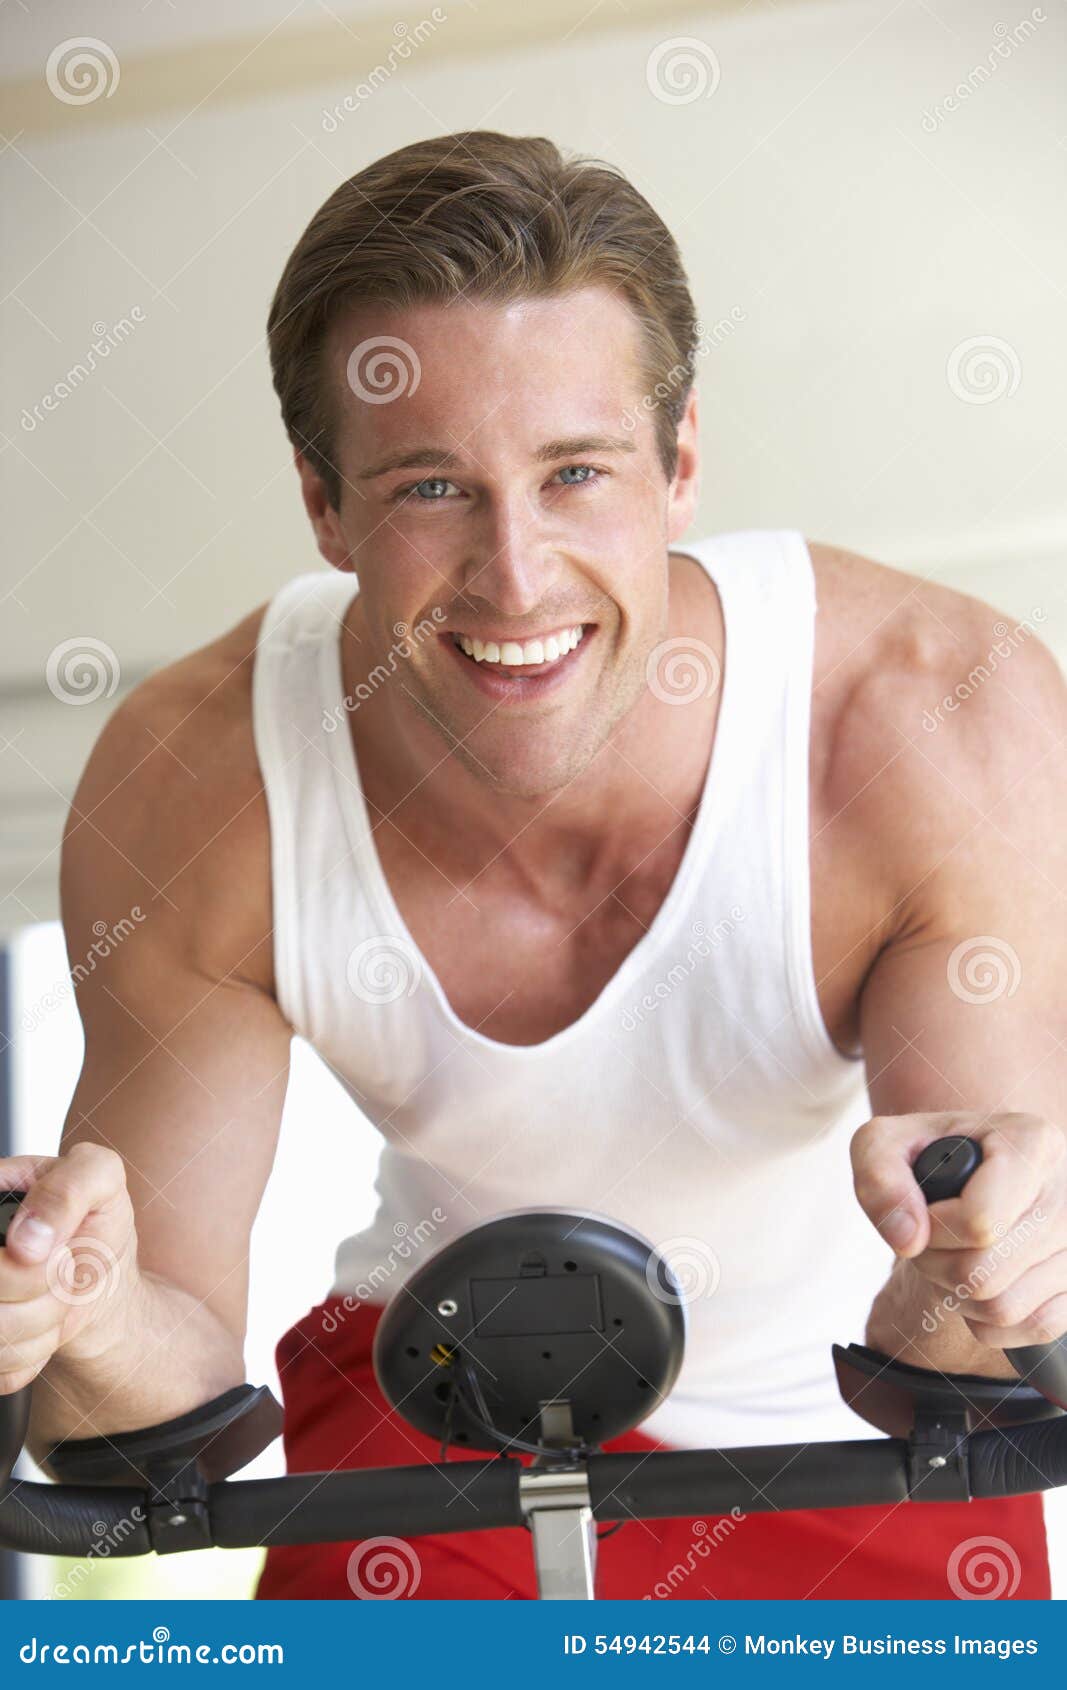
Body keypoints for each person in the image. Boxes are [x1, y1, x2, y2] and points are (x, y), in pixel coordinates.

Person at [2, 132, 1064, 1601]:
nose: (515, 576)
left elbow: (972, 1316)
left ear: (679, 465)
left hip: (850, 1420)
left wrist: (992, 1262)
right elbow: (139, 1411)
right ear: (324, 505)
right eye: (431, 488)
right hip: (437, 1400)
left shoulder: (934, 718)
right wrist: (80, 1309)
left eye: (576, 473)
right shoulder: (199, 773)